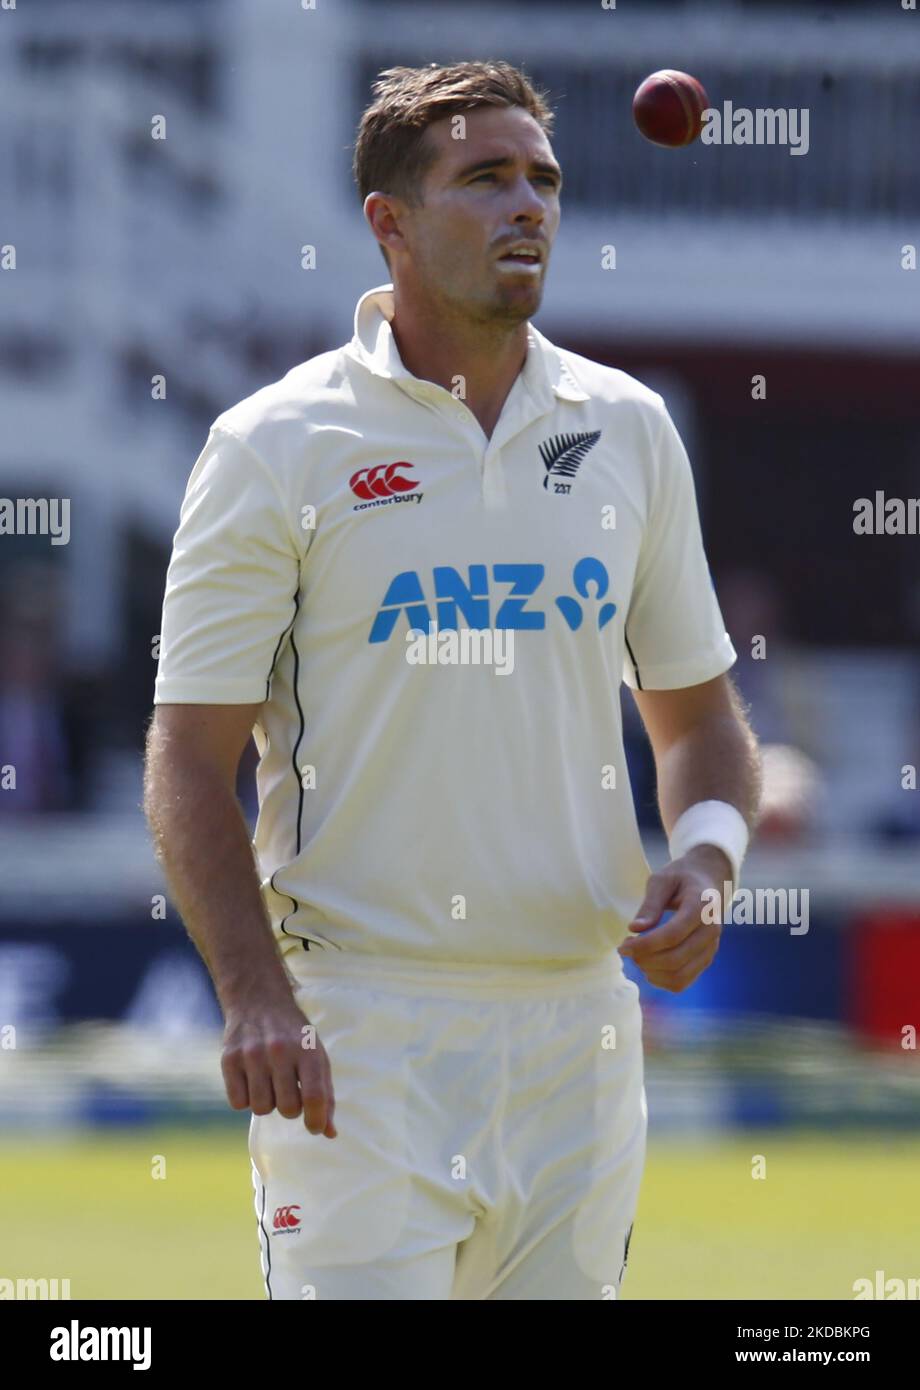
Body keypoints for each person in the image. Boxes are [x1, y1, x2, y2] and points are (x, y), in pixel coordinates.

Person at [144, 60, 761, 1301]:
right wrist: (255, 997)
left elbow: (699, 718)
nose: (526, 205)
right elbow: (185, 763)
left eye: (541, 180)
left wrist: (703, 858)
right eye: (484, 180)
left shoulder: (629, 427)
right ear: (390, 223)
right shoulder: (274, 443)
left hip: (577, 1031)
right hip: (359, 1032)